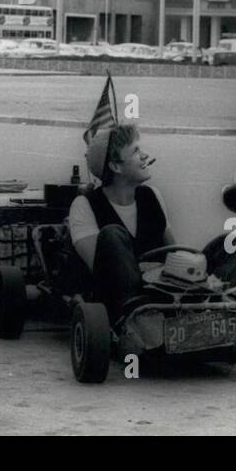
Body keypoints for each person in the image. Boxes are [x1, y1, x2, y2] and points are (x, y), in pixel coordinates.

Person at [69, 124, 175, 325]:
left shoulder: (153, 196)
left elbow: (173, 253)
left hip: (161, 292)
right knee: (112, 235)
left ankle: (226, 320)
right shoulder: (84, 205)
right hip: (115, 303)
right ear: (115, 166)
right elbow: (104, 269)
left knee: (227, 244)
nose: (145, 156)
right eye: (136, 151)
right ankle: (143, 321)